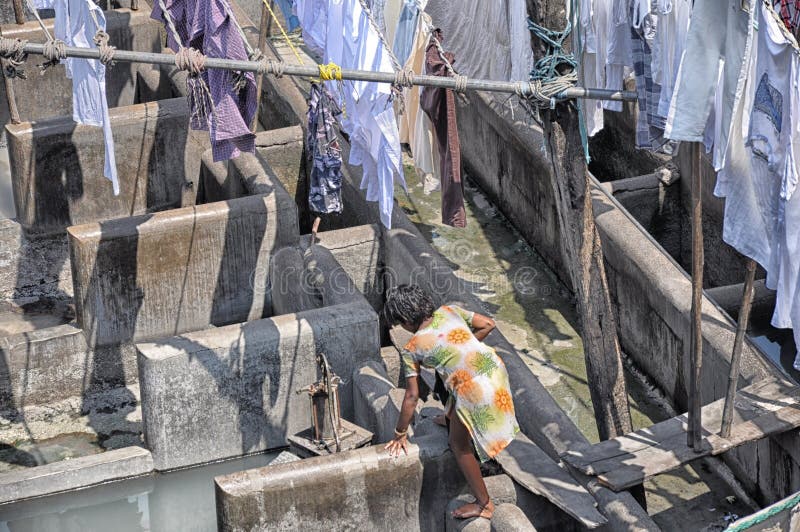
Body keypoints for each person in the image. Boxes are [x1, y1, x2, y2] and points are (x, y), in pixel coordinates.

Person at [383, 284, 520, 520]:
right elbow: (488, 324)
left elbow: (412, 396)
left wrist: (399, 433)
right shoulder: (450, 311)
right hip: (493, 369)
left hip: (475, 391)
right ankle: (450, 416)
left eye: (400, 323)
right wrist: (464, 351)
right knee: (454, 387)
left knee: (458, 444)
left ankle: (484, 504)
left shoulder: (412, 347)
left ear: (405, 319)